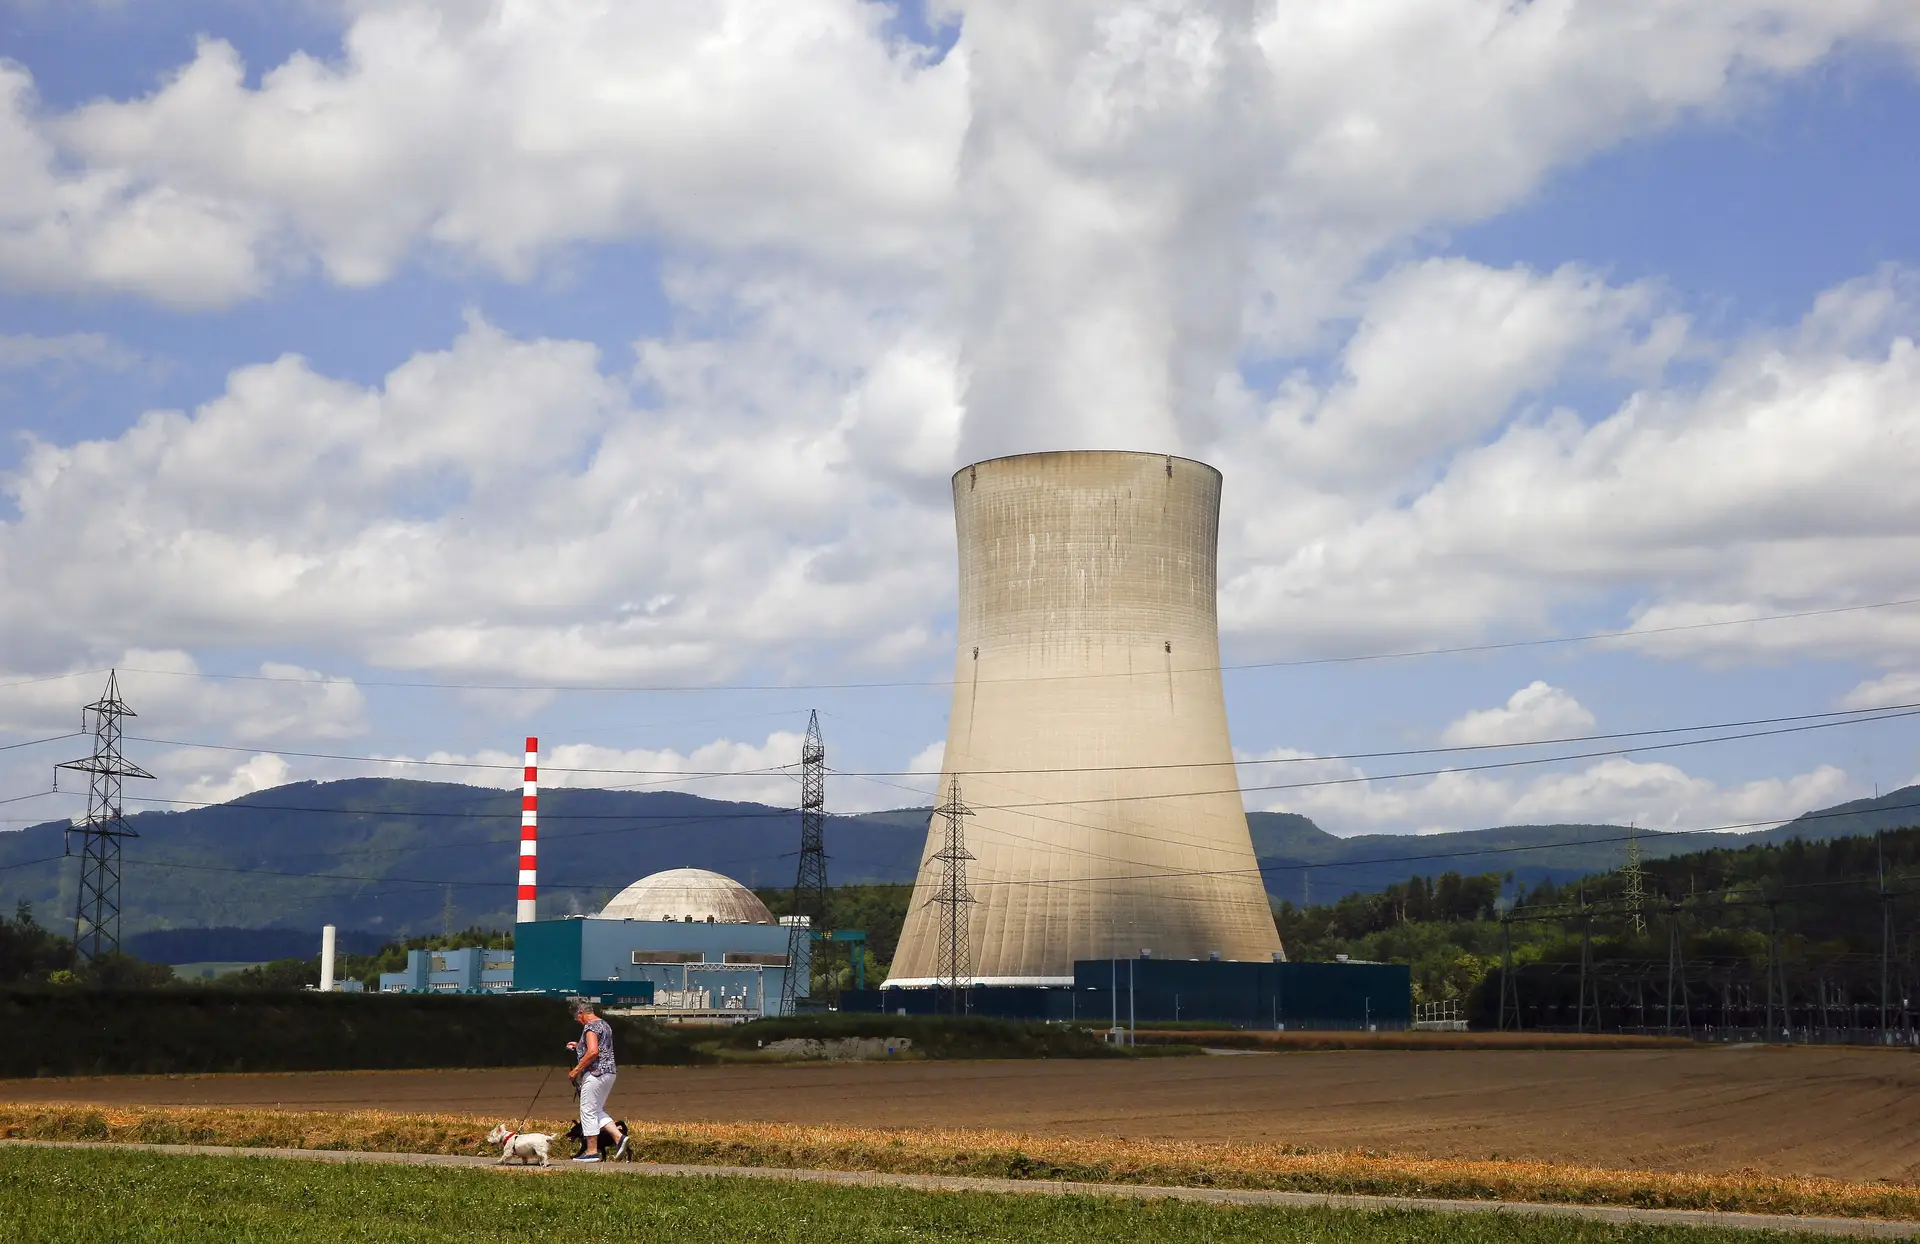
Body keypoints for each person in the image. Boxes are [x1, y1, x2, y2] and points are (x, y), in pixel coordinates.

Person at [566, 999, 628, 1161]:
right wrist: (579, 1046)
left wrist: (576, 1069)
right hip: (609, 1072)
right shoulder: (604, 1024)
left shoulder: (590, 1026)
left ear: (581, 1013)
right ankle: (619, 1137)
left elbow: (593, 1052)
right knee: (596, 1109)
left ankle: (591, 1151)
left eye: (576, 1017)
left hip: (595, 1073)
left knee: (587, 1111)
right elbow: (600, 1047)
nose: (577, 1021)